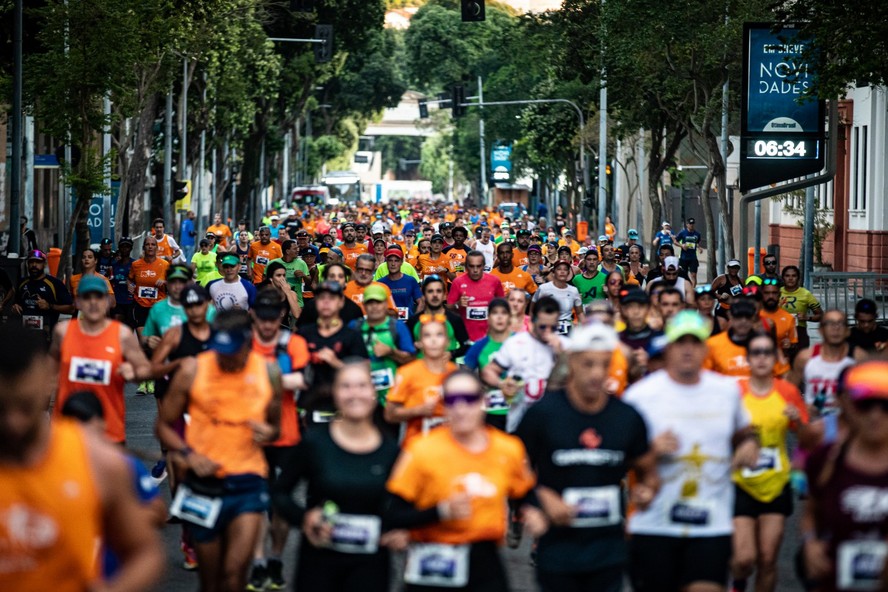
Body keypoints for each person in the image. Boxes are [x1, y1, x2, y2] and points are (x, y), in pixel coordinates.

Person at [0, 323, 164, 592]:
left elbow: (145, 552)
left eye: (25, 406)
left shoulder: (98, 460)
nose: (13, 423)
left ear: (47, 381)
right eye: (0, 408)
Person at [516, 322, 659, 591]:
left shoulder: (626, 417)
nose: (596, 374)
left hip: (608, 550)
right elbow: (513, 467)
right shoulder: (543, 415)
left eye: (604, 365)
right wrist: (538, 499)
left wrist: (647, 490)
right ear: (572, 362)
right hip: (557, 549)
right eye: (588, 364)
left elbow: (648, 470)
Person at [624, 311, 759, 592]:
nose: (688, 349)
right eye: (680, 342)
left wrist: (749, 445)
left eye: (695, 342)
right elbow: (618, 455)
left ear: (705, 348)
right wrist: (651, 452)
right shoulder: (640, 396)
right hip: (655, 523)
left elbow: (746, 432)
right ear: (668, 347)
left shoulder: (726, 391)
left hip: (710, 522)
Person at [156, 310, 282, 592]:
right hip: (203, 485)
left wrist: (269, 433)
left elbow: (276, 426)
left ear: (248, 341)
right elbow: (163, 426)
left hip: (248, 481)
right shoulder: (193, 369)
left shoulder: (268, 372)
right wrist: (189, 455)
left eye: (231, 350)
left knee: (235, 574)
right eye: (219, 349)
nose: (224, 357)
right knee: (211, 582)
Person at [385, 368, 544, 591]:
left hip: (484, 559)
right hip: (433, 559)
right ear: (444, 405)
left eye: (469, 399)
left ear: (482, 402)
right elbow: (393, 514)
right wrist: (440, 511)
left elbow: (526, 493)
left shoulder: (508, 449)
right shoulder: (421, 450)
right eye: (452, 400)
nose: (461, 409)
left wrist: (534, 512)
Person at [271, 361, 405, 592]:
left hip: (370, 565)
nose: (355, 394)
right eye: (346, 386)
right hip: (320, 558)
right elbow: (280, 492)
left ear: (374, 392)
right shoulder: (315, 443)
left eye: (362, 386)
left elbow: (405, 505)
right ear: (334, 393)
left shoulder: (390, 451)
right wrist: (303, 518)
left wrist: (403, 530)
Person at [731, 330, 810, 592]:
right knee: (743, 559)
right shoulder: (735, 392)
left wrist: (797, 421)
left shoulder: (787, 391)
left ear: (776, 357)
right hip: (740, 483)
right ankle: (739, 583)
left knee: (767, 558)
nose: (762, 358)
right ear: (748, 358)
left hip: (776, 483)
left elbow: (807, 438)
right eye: (756, 353)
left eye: (767, 352)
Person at [801, 360, 888, 592]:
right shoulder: (826, 460)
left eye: (885, 406)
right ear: (849, 405)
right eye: (866, 405)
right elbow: (811, 512)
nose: (875, 415)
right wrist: (810, 543)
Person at [247, 290, 310, 590]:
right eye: (263, 317)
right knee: (258, 503)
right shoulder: (245, 344)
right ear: (254, 315)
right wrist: (277, 379)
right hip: (253, 436)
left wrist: (260, 379)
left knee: (282, 505)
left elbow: (302, 380)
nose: (269, 324)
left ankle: (276, 557)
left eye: (274, 317)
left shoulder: (292, 343)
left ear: (281, 315)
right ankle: (258, 562)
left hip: (287, 436)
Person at [51, 275, 153, 444]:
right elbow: (48, 373)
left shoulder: (122, 335)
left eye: (98, 297)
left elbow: (145, 370)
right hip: (67, 432)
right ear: (77, 302)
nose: (93, 303)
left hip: (109, 430)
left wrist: (133, 372)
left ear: (107, 302)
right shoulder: (62, 332)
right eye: (87, 297)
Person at [482, 296, 566, 432]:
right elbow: (489, 371)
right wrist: (502, 384)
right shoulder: (515, 343)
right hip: (519, 420)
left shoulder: (567, 346)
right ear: (533, 320)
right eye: (543, 326)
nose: (548, 331)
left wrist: (561, 354)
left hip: (555, 421)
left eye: (553, 327)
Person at [349, 284, 416, 436]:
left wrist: (391, 352)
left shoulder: (397, 327)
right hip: (361, 396)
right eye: (370, 303)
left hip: (390, 398)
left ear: (386, 304)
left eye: (378, 302)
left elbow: (412, 361)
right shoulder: (355, 327)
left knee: (390, 440)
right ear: (364, 305)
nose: (374, 307)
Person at [300, 281, 369, 427]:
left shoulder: (352, 336)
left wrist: (335, 362)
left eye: (331, 298)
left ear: (341, 302)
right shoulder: (303, 334)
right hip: (309, 405)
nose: (326, 302)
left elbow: (365, 373)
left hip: (343, 406)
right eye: (321, 297)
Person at [384, 317, 457, 444]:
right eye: (427, 336)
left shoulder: (456, 374)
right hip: (415, 446)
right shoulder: (406, 373)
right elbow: (389, 414)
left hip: (449, 447)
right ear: (419, 343)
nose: (433, 340)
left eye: (439, 335)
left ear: (447, 341)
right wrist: (417, 410)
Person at [790, 309, 856, 419]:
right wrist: (802, 409)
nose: (836, 328)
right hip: (815, 426)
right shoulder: (805, 358)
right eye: (830, 324)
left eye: (840, 323)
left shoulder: (858, 358)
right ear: (820, 330)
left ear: (848, 330)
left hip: (849, 427)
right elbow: (789, 390)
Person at [464, 298, 513, 430]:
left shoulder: (520, 342)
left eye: (504, 313)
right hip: (489, 413)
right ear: (488, 318)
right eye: (495, 313)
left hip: (518, 410)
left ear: (509, 318)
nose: (499, 317)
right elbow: (465, 378)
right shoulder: (479, 346)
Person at [406, 275, 471, 361]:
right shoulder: (413, 321)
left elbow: (466, 346)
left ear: (444, 295)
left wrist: (452, 353)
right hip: (420, 371)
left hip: (448, 372)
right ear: (424, 295)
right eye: (430, 291)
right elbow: (404, 348)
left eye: (439, 291)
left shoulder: (455, 320)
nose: (435, 295)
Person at [13, 249, 75, 338]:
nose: (34, 265)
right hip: (24, 335)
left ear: (44, 264)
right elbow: (16, 303)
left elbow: (71, 309)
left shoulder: (55, 284)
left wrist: (50, 306)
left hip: (46, 335)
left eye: (38, 262)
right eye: (31, 262)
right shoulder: (22, 283)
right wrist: (15, 307)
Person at [447, 250, 505, 343]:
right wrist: (458, 304)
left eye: (478, 266)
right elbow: (448, 307)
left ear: (484, 266)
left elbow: (503, 305)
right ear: (466, 266)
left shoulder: (494, 281)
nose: (475, 270)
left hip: (490, 336)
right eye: (471, 266)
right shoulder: (458, 282)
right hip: (466, 336)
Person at [704, 296, 760, 377]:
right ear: (730, 316)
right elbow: (705, 376)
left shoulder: (764, 344)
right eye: (738, 316)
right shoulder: (713, 344)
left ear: (754, 318)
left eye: (747, 316)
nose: (743, 321)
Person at [128, 236, 170, 336]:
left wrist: (165, 282)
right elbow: (129, 279)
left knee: (156, 343)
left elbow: (173, 285)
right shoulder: (135, 265)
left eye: (153, 244)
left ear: (157, 247)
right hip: (140, 305)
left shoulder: (165, 265)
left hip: (158, 307)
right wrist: (129, 285)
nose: (150, 247)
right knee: (144, 343)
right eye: (147, 244)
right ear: (143, 247)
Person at [532, 260, 584, 336]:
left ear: (568, 273)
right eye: (559, 269)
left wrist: (585, 329)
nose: (562, 272)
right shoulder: (543, 288)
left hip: (567, 329)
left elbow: (580, 313)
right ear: (553, 272)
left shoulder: (573, 290)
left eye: (565, 269)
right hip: (546, 329)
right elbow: (533, 310)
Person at [779, 265, 822, 350]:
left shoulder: (806, 294)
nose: (790, 278)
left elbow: (820, 315)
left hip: (800, 332)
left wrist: (807, 317)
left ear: (798, 278)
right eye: (787, 276)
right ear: (783, 278)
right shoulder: (776, 292)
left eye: (794, 276)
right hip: (779, 333)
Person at [759, 279, 798, 366]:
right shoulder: (754, 316)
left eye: (774, 293)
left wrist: (789, 346)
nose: (771, 296)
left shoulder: (789, 318)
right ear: (762, 295)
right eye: (767, 293)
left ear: (779, 295)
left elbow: (794, 344)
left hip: (780, 366)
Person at [377, 246, 423, 321]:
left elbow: (421, 302)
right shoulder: (380, 283)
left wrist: (413, 320)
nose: (393, 264)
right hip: (387, 325)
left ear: (401, 262)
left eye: (396, 261)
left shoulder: (410, 280)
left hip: (407, 324)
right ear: (386, 262)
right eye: (390, 260)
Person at [110, 236, 137, 328]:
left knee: (129, 329)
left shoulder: (136, 264)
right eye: (122, 246)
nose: (125, 249)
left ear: (131, 248)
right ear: (119, 248)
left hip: (131, 302)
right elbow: (109, 281)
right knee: (116, 327)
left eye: (127, 246)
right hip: (117, 301)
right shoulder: (114, 265)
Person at [675, 218, 702, 285]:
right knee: (683, 275)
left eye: (692, 224)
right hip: (684, 257)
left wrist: (699, 248)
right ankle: (685, 289)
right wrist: (682, 245)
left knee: (693, 275)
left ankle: (693, 291)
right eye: (690, 224)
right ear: (687, 225)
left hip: (693, 257)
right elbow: (675, 241)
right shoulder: (683, 233)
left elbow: (697, 243)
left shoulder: (697, 234)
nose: (691, 225)